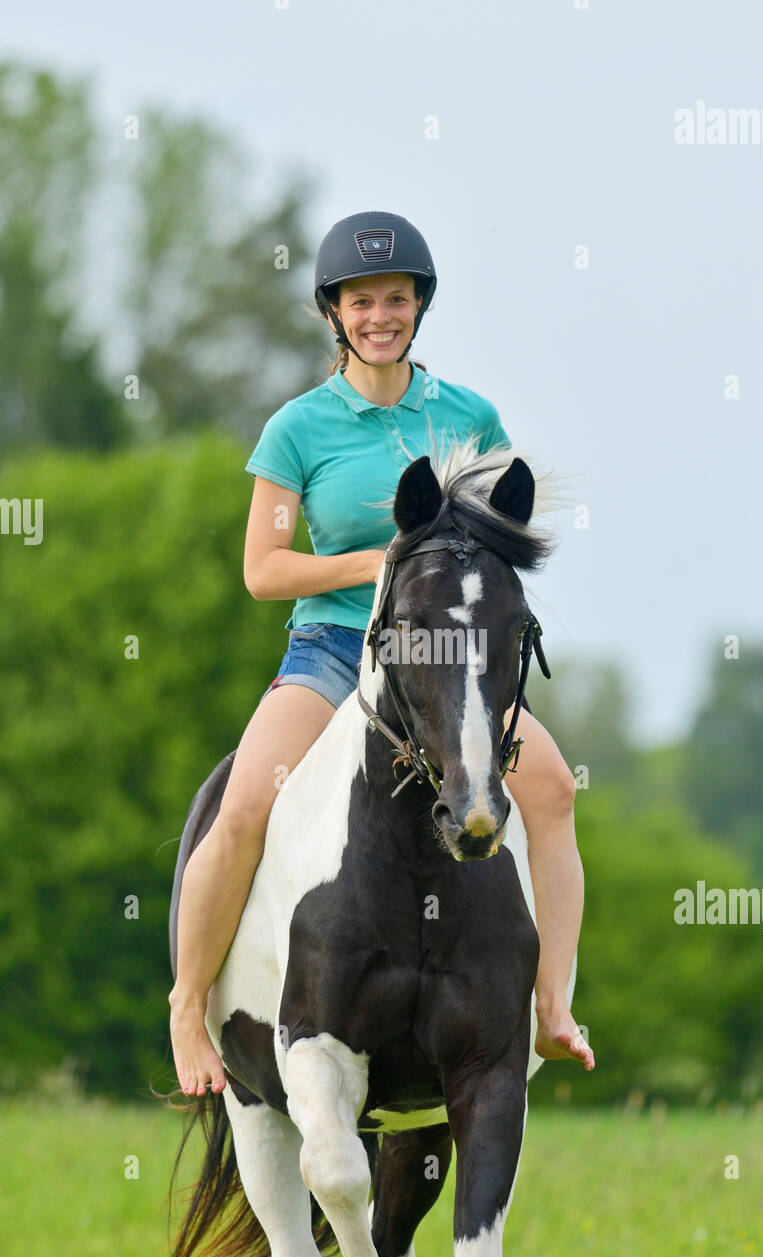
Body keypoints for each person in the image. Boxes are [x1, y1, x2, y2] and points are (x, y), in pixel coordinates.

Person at [168, 210, 595, 1096]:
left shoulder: (470, 415)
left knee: (551, 788)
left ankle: (552, 1008)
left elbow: (496, 547)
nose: (379, 316)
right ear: (335, 312)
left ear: (418, 307)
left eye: (395, 299)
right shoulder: (297, 429)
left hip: (444, 657)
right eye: (361, 302)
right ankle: (186, 1009)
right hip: (333, 647)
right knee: (245, 804)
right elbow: (263, 569)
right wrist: (374, 562)